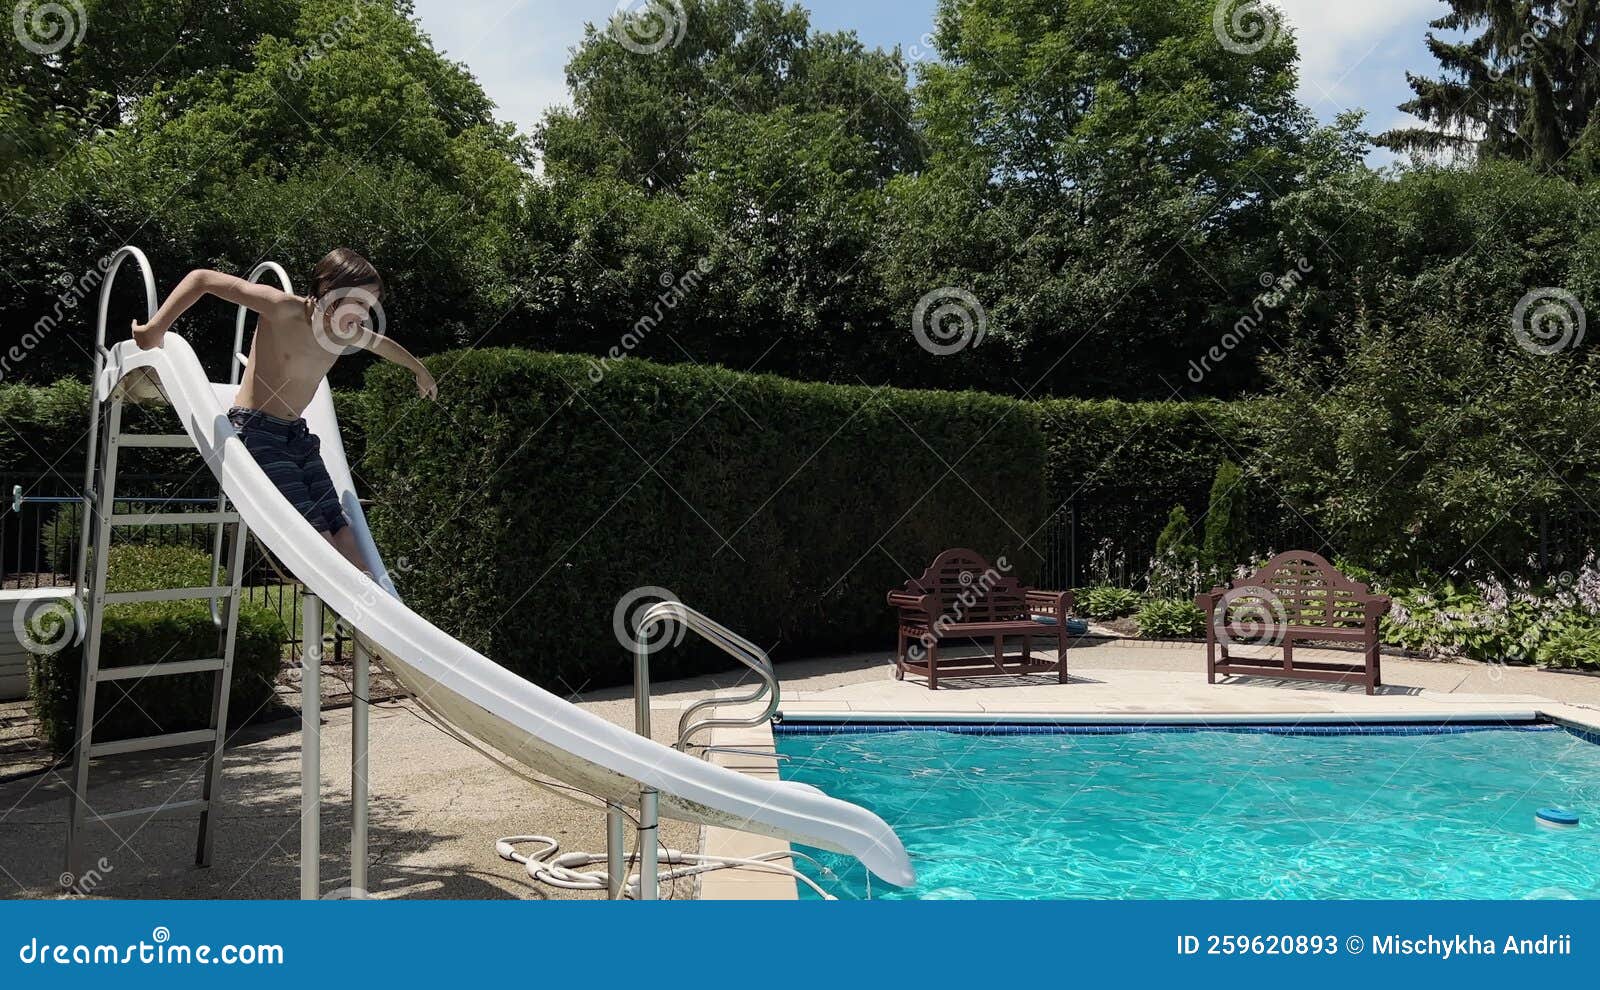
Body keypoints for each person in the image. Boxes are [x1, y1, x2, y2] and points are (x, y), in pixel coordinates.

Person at [132, 248, 436, 571]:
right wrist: (155, 329)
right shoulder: (282, 308)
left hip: (298, 438)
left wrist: (420, 370)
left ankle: (371, 608)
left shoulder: (347, 334)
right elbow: (203, 279)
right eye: (358, 302)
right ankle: (346, 596)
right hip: (256, 432)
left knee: (340, 525)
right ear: (329, 288)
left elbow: (384, 345)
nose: (363, 314)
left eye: (370, 306)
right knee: (315, 532)